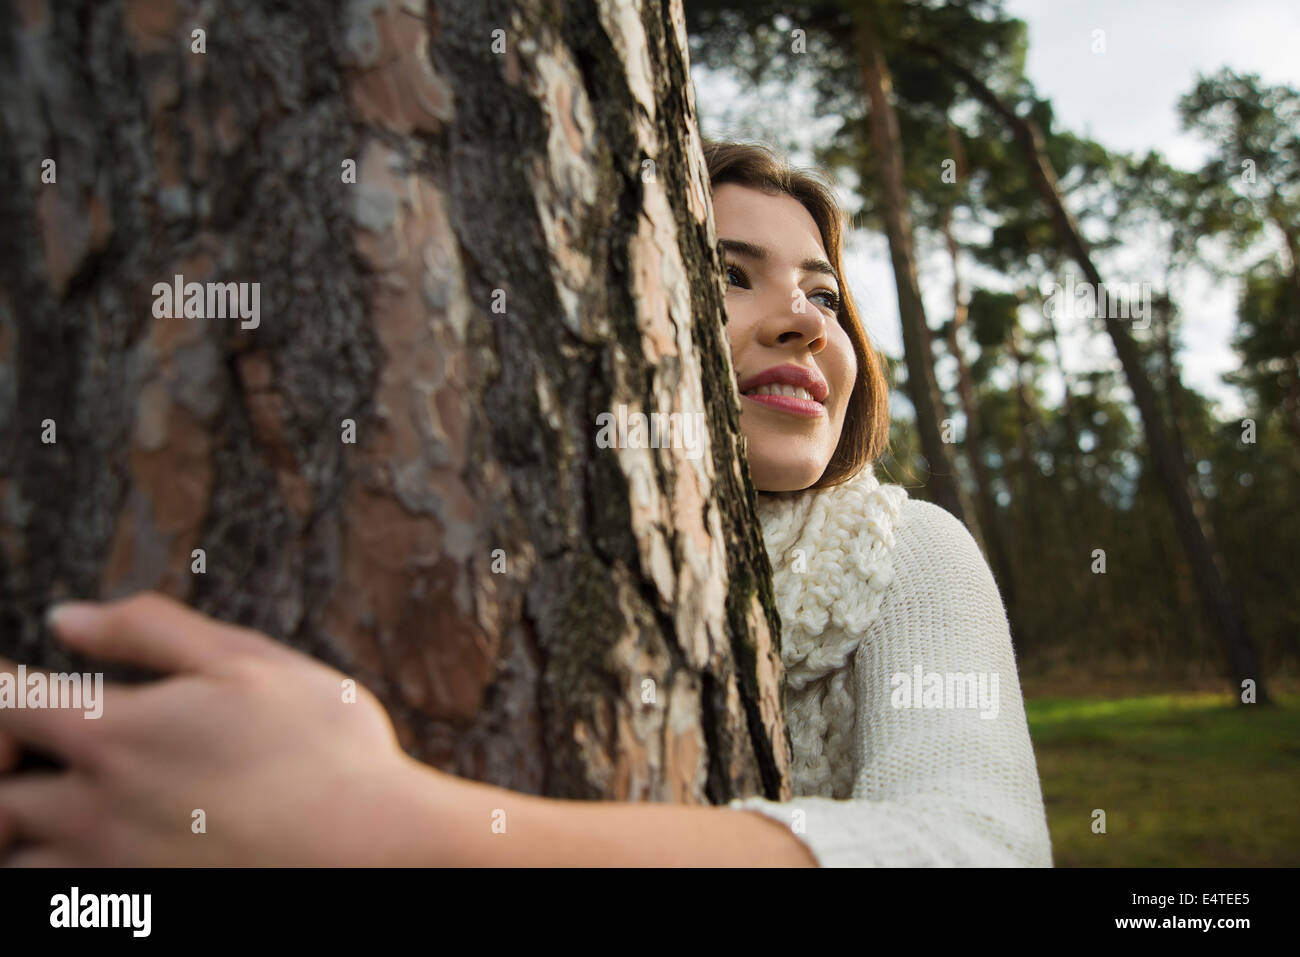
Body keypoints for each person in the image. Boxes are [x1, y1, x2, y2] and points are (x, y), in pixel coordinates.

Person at [0, 140, 1053, 867]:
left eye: (825, 293)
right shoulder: (530, 513)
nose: (803, 322)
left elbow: (982, 848)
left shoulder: (906, 549)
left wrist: (392, 835)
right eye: (731, 275)